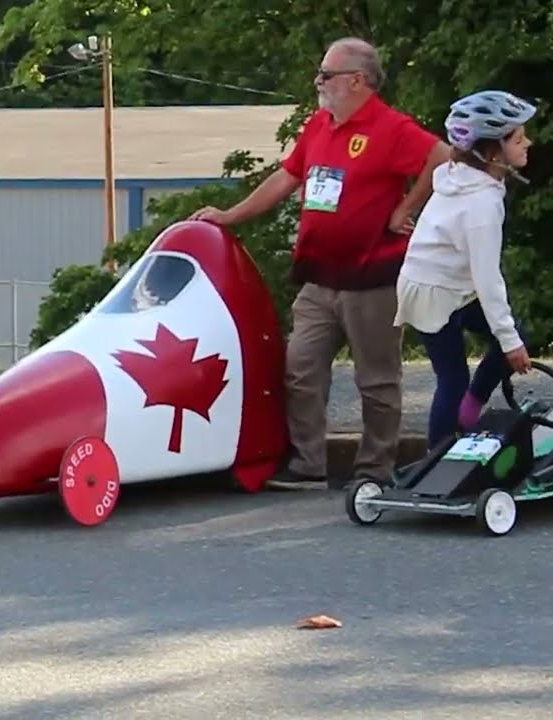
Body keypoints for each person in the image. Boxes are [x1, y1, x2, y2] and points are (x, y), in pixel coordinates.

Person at [189, 37, 451, 489]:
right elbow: (287, 176)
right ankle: (309, 463)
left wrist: (406, 208)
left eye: (326, 75)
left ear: (357, 80)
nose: (319, 81)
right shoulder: (320, 125)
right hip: (318, 276)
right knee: (300, 369)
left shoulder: (390, 127)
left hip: (371, 278)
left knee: (377, 381)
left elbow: (442, 156)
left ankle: (374, 471)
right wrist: (231, 216)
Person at [394, 90, 536, 448]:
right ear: (492, 151)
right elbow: (488, 282)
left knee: (513, 336)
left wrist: (510, 340)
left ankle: (467, 416)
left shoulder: (463, 177)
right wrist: (510, 345)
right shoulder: (481, 207)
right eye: (518, 138)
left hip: (452, 286)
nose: (527, 143)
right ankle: (437, 456)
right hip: (431, 291)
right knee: (453, 378)